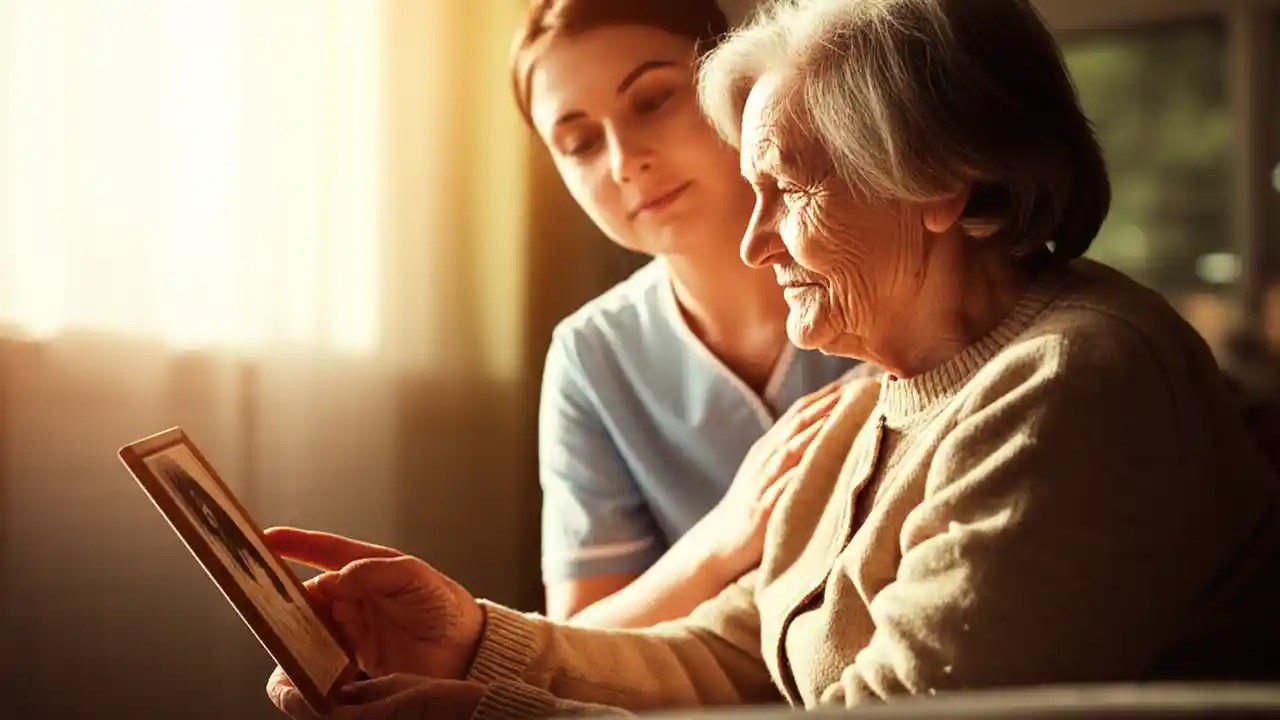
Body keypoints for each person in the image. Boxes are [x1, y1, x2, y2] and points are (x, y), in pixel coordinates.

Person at [265, 0, 1280, 717]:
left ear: (944, 181)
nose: (752, 243)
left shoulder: (1073, 384)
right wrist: (474, 642)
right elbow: (731, 651)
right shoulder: (880, 391)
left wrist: (485, 716)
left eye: (787, 189)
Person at [511, 0, 858, 627]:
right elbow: (583, 635)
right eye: (580, 141)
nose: (624, 162)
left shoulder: (884, 274)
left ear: (741, 84)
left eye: (652, 101)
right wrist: (728, 533)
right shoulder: (593, 355)